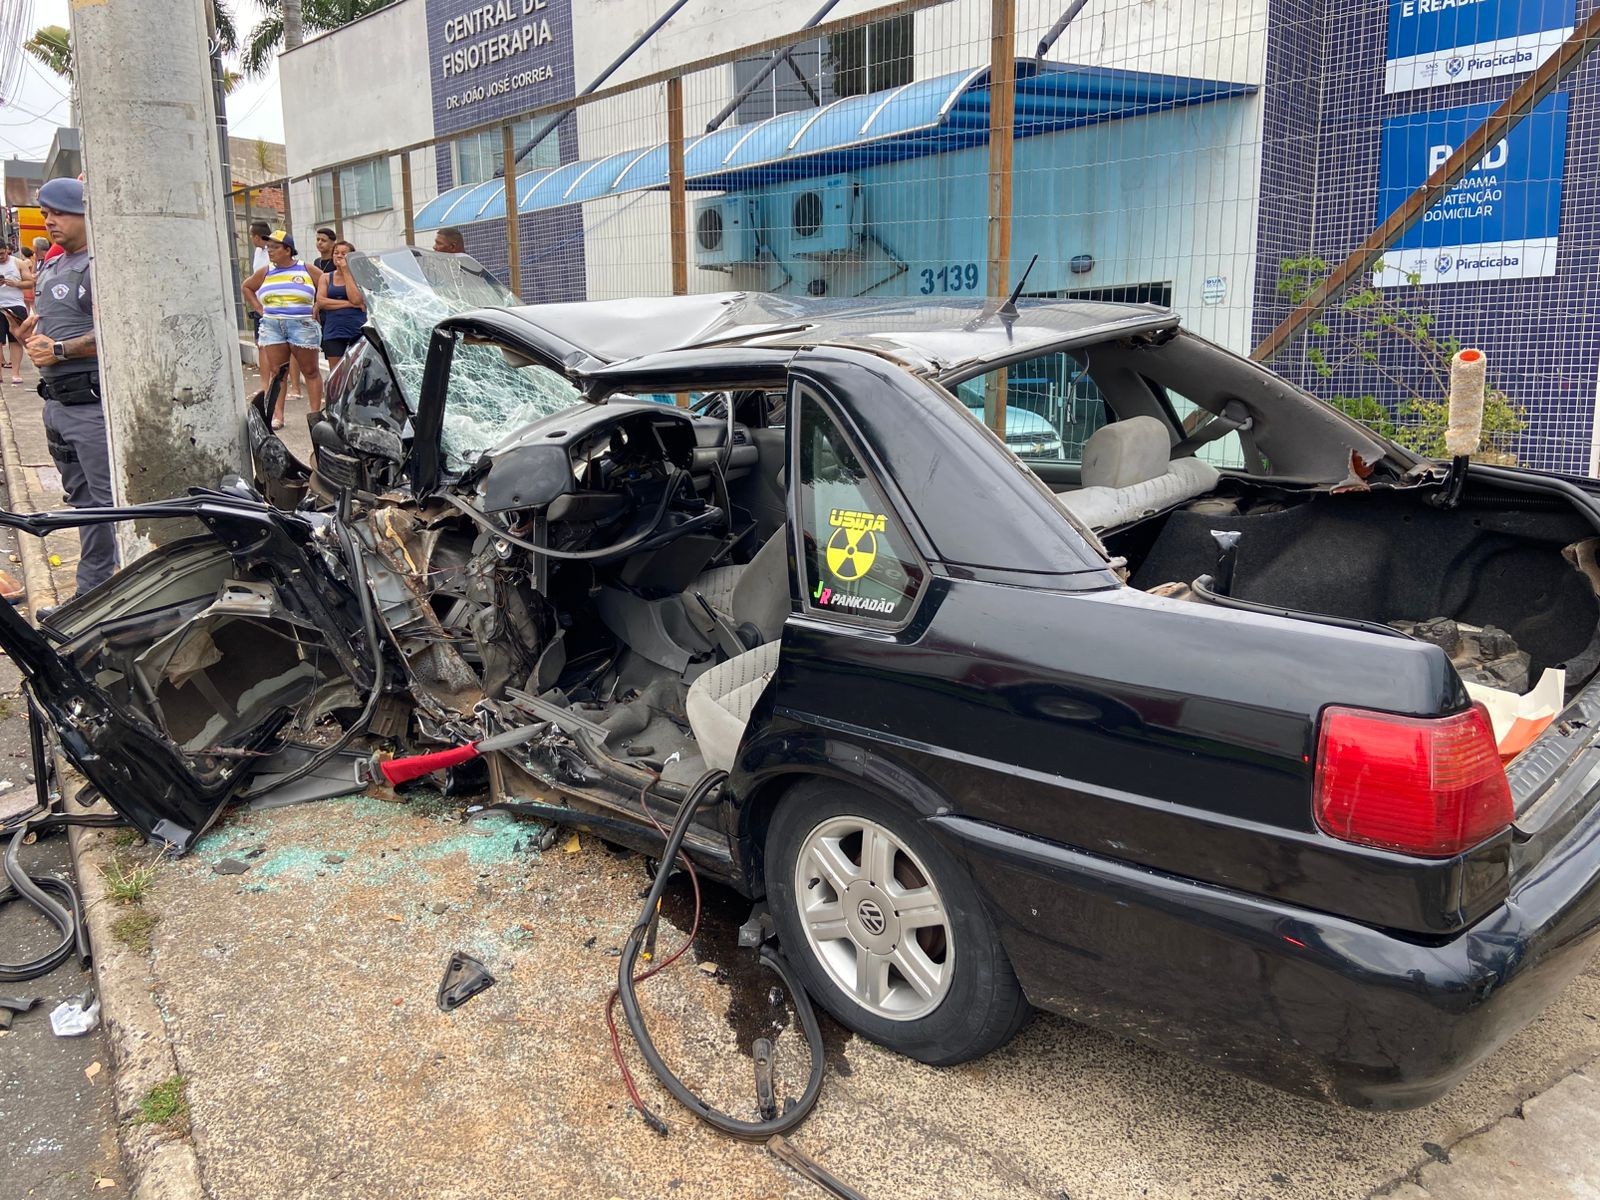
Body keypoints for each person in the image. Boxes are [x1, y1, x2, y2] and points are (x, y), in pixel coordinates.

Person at [7, 177, 117, 594]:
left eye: (59, 213)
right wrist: (30, 339)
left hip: (92, 407)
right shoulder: (53, 266)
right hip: (57, 406)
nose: (49, 221)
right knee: (85, 506)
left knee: (111, 508)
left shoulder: (99, 265)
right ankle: (91, 593)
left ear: (86, 213)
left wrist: (59, 350)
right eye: (46, 213)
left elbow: (117, 333)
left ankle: (117, 599)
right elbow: (53, 334)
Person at [241, 229, 323, 429]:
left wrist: (318, 305)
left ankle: (315, 415)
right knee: (278, 373)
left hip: (302, 324)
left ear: (288, 250)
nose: (270, 250)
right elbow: (247, 286)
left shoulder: (306, 268)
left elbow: (326, 283)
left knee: (310, 370)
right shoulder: (266, 271)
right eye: (268, 247)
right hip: (273, 325)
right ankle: (278, 415)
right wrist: (258, 307)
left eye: (275, 247)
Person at [316, 239, 366, 372]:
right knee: (336, 371)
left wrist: (346, 271)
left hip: (357, 329)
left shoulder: (359, 277)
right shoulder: (325, 277)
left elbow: (357, 300)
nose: (339, 256)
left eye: (343, 254)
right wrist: (349, 304)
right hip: (334, 330)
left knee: (356, 370)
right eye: (336, 253)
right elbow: (321, 302)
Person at [0, 243, 35, 385]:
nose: (1, 257)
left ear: (7, 250)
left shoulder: (18, 263)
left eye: (2, 253)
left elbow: (30, 282)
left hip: (15, 305)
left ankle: (15, 373)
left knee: (16, 340)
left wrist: (16, 284)